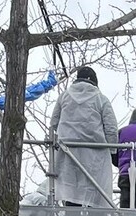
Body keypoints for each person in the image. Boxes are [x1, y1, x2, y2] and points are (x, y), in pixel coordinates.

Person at [49, 66, 119, 208]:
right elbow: (111, 129)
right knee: (95, 195)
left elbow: (53, 123)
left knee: (71, 194)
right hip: (95, 154)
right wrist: (112, 151)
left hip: (67, 153)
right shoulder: (101, 99)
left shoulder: (64, 96)